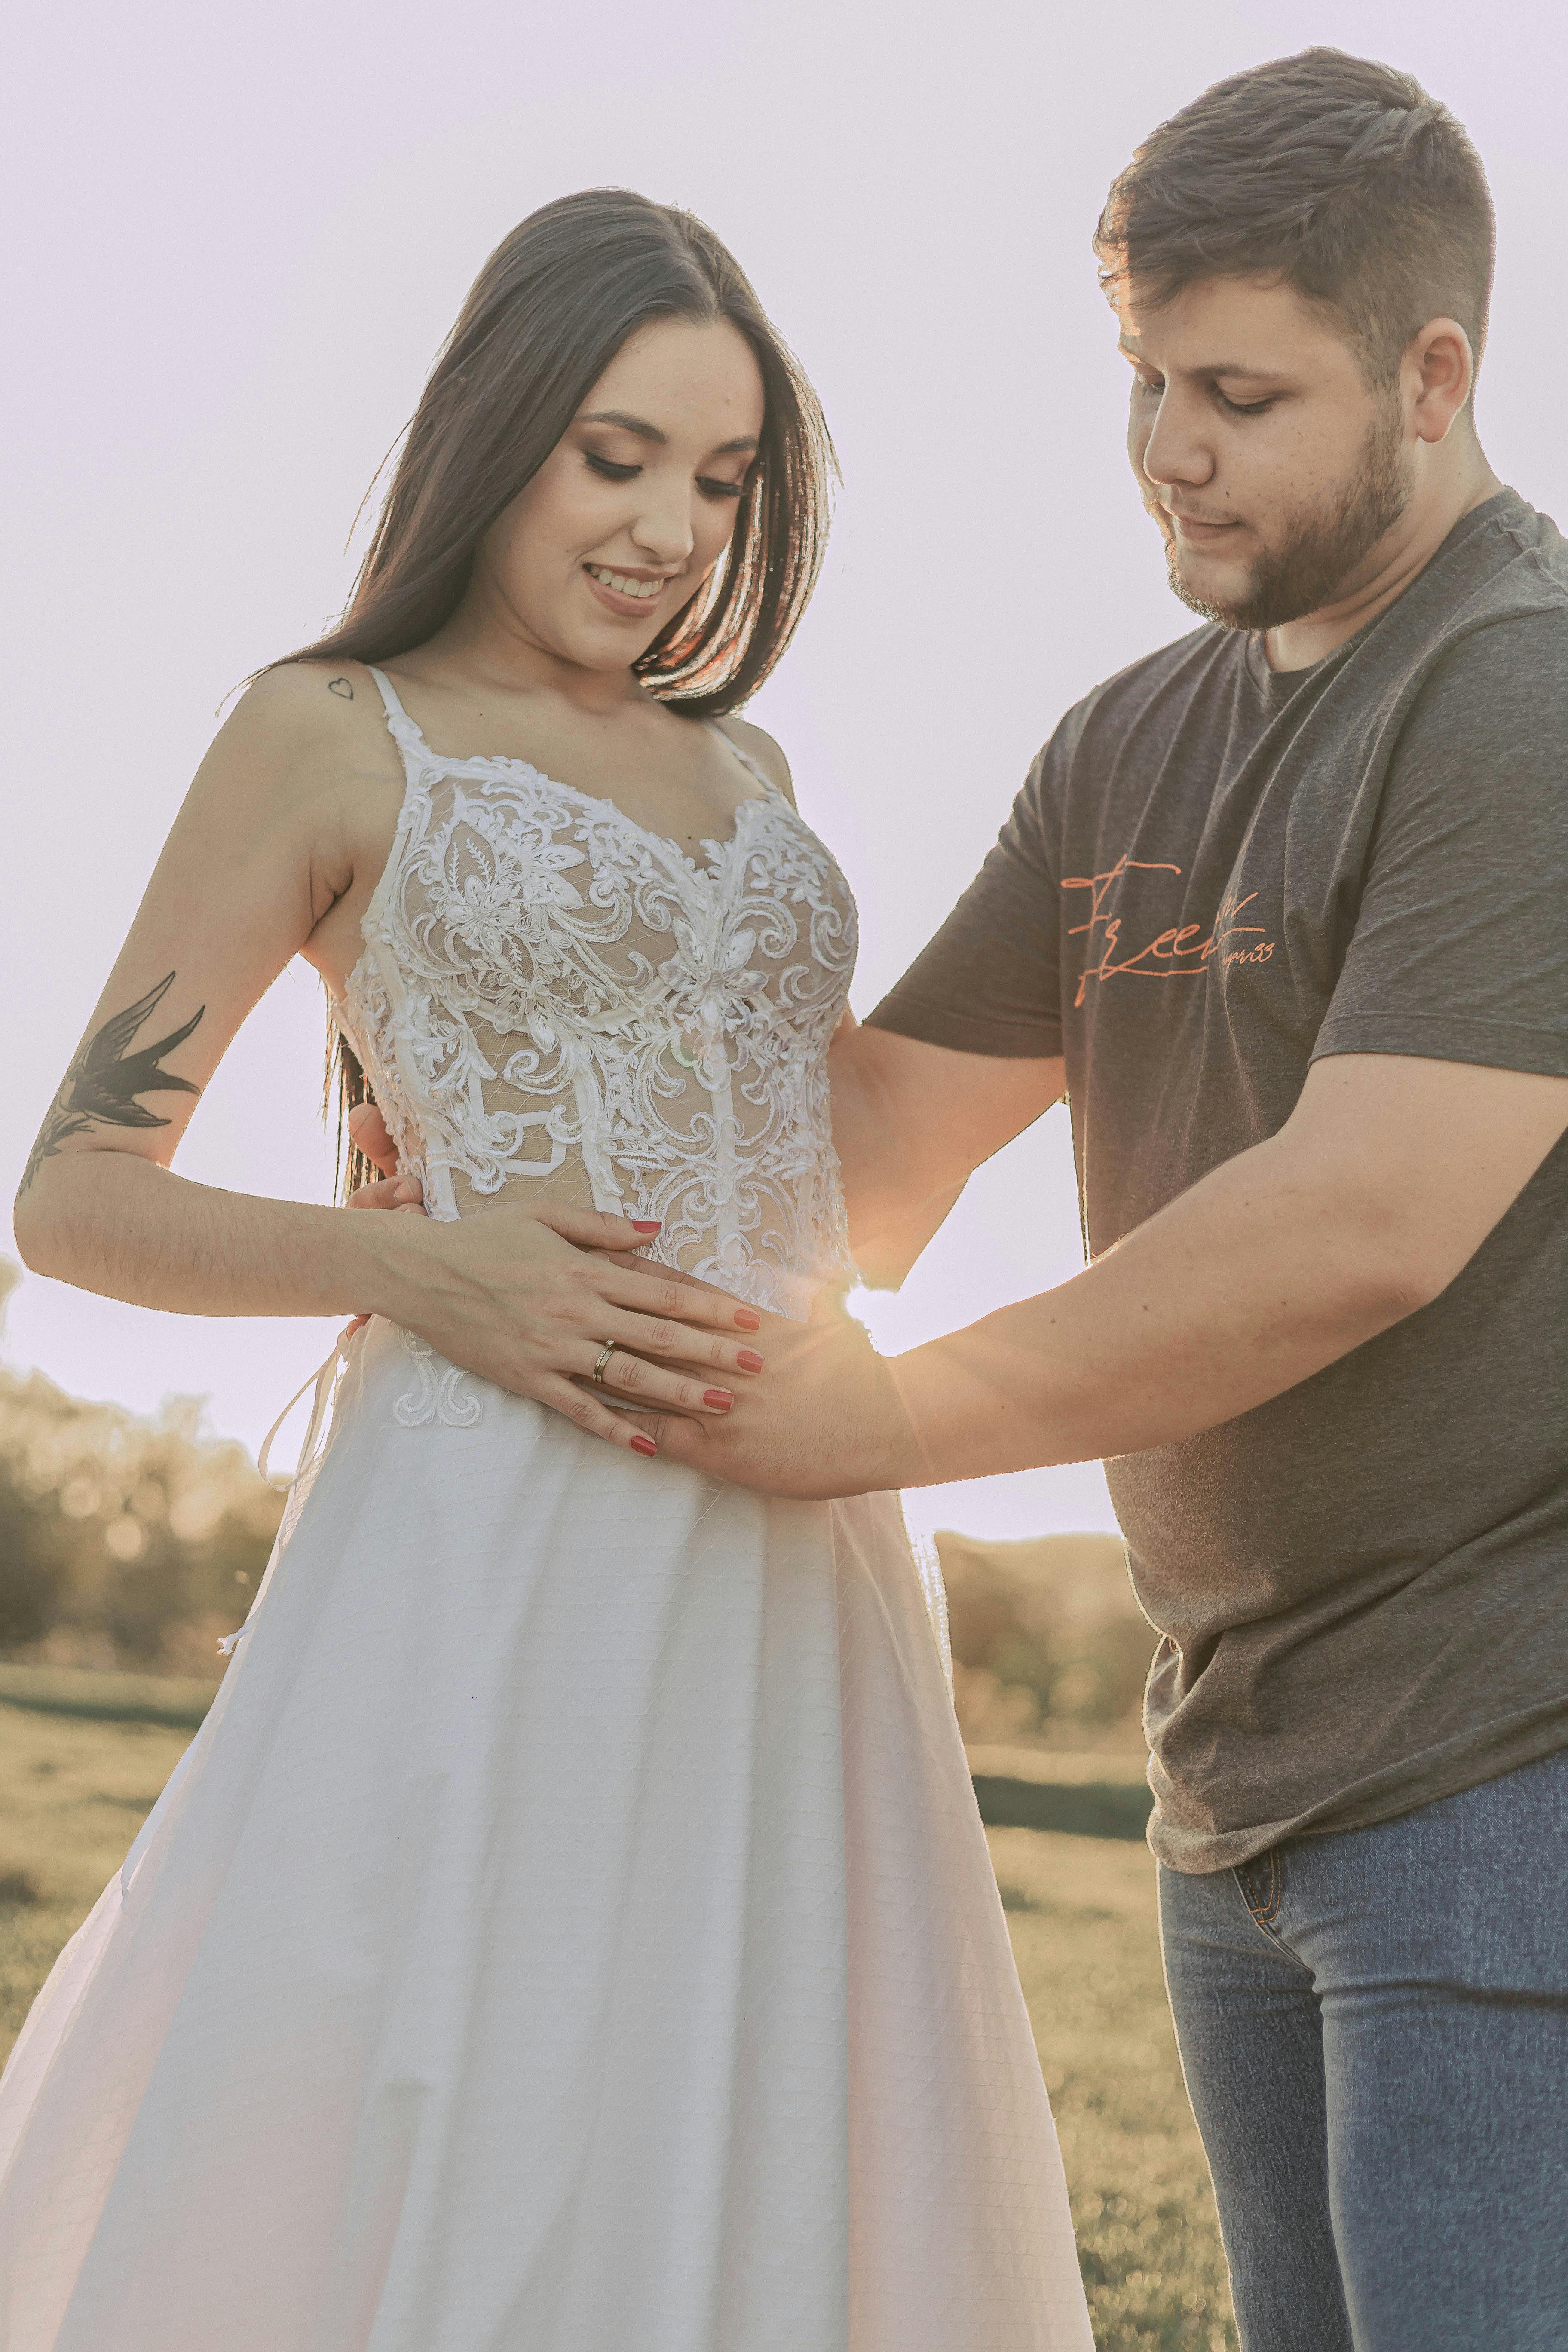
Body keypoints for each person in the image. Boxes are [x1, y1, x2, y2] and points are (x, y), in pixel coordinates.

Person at [3, 193, 1093, 2349]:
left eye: (724, 479)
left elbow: (839, 1151)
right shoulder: (329, 730)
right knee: (454, 2085)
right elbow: (74, 1191)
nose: (675, 527)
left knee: (784, 2104)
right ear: (499, 432)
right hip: (490, 1529)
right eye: (622, 455)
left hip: (808, 1535)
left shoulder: (747, 765)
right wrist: (431, 1272)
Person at [553, 50, 1568, 2352]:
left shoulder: (1523, 695)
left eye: (1238, 392)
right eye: (1140, 379)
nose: (1169, 449)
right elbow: (866, 1150)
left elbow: (1364, 1221)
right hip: (1236, 1770)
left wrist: (863, 1423)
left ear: (1434, 376)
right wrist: (509, 1038)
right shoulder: (1132, 734)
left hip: (1514, 1768)